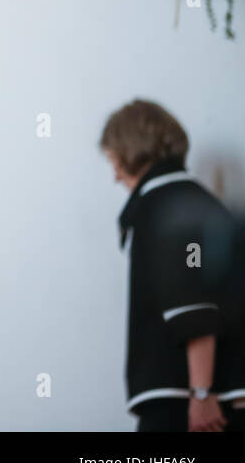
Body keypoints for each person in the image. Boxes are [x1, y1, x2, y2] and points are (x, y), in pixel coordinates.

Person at [101, 99, 245, 431]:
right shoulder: (195, 202)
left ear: (131, 150)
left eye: (114, 160)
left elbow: (194, 300)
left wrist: (201, 392)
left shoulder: (168, 205)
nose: (114, 176)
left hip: (188, 405)